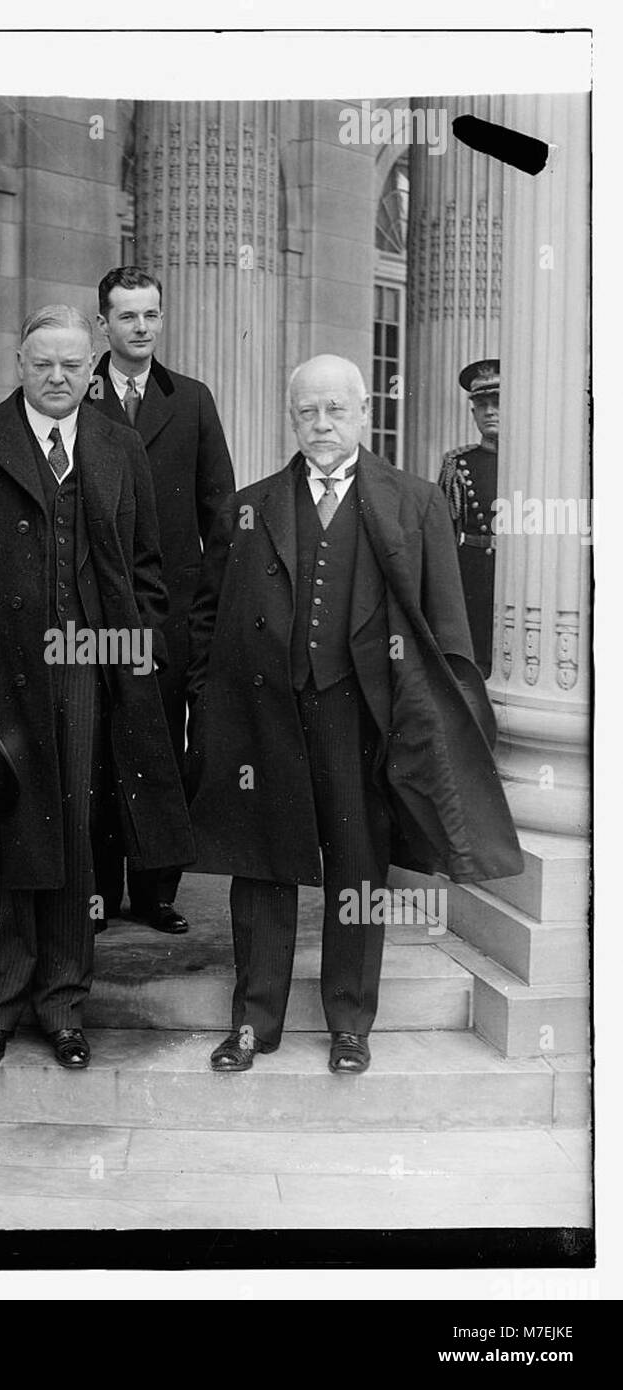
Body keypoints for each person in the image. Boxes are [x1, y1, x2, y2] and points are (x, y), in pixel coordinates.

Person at [187, 354, 521, 1076]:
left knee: (358, 868)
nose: (322, 424)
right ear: (292, 417)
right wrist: (209, 713)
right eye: (307, 411)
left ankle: (349, 1020)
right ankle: (253, 1021)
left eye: (336, 409)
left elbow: (448, 631)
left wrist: (445, 722)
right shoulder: (248, 505)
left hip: (363, 716)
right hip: (264, 716)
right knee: (262, 864)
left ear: (364, 412)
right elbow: (207, 622)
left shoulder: (416, 504)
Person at [0, 304, 194, 1069]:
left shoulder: (118, 445)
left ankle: (65, 1006)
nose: (60, 377)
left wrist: (137, 648)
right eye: (44, 364)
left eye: (73, 364)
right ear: (19, 363)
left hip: (89, 676)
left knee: (77, 836)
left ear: (90, 366)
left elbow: (146, 568)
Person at [87, 266, 234, 936]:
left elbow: (220, 514)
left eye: (150, 316)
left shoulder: (193, 400)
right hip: (87, 614)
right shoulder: (70, 395)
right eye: (127, 317)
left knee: (159, 750)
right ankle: (95, 894)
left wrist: (210, 614)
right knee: (93, 748)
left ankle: (155, 893)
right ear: (104, 324)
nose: (141, 328)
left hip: (167, 615)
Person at [438, 359, 500, 677]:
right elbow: (443, 534)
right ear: (473, 412)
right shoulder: (457, 463)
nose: (490, 411)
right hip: (472, 572)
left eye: (497, 403)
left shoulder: (534, 463)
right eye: (482, 405)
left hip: (517, 576)